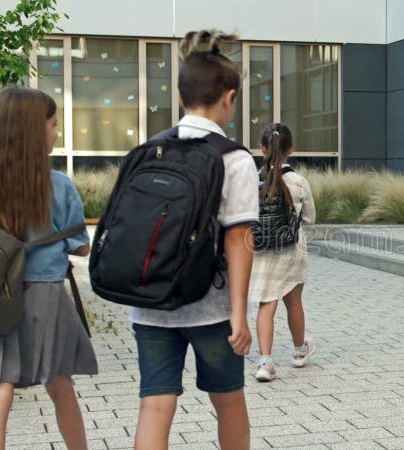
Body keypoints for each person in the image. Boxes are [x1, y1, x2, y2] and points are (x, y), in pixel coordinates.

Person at [128, 30, 257, 449]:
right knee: (229, 402)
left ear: (181, 98)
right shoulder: (234, 159)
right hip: (210, 308)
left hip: (149, 304)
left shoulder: (150, 150)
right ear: (229, 98)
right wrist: (240, 314)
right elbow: (239, 242)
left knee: (155, 406)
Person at [0, 87, 97, 450]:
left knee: (0, 384)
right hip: (45, 295)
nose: (57, 133)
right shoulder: (57, 185)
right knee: (59, 382)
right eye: (53, 124)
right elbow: (82, 246)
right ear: (33, 130)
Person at [251, 123, 316, 382]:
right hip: (292, 250)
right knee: (293, 302)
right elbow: (310, 219)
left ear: (262, 149)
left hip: (261, 251)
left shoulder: (253, 181)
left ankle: (265, 362)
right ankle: (300, 351)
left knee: (266, 305)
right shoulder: (299, 182)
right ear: (292, 150)